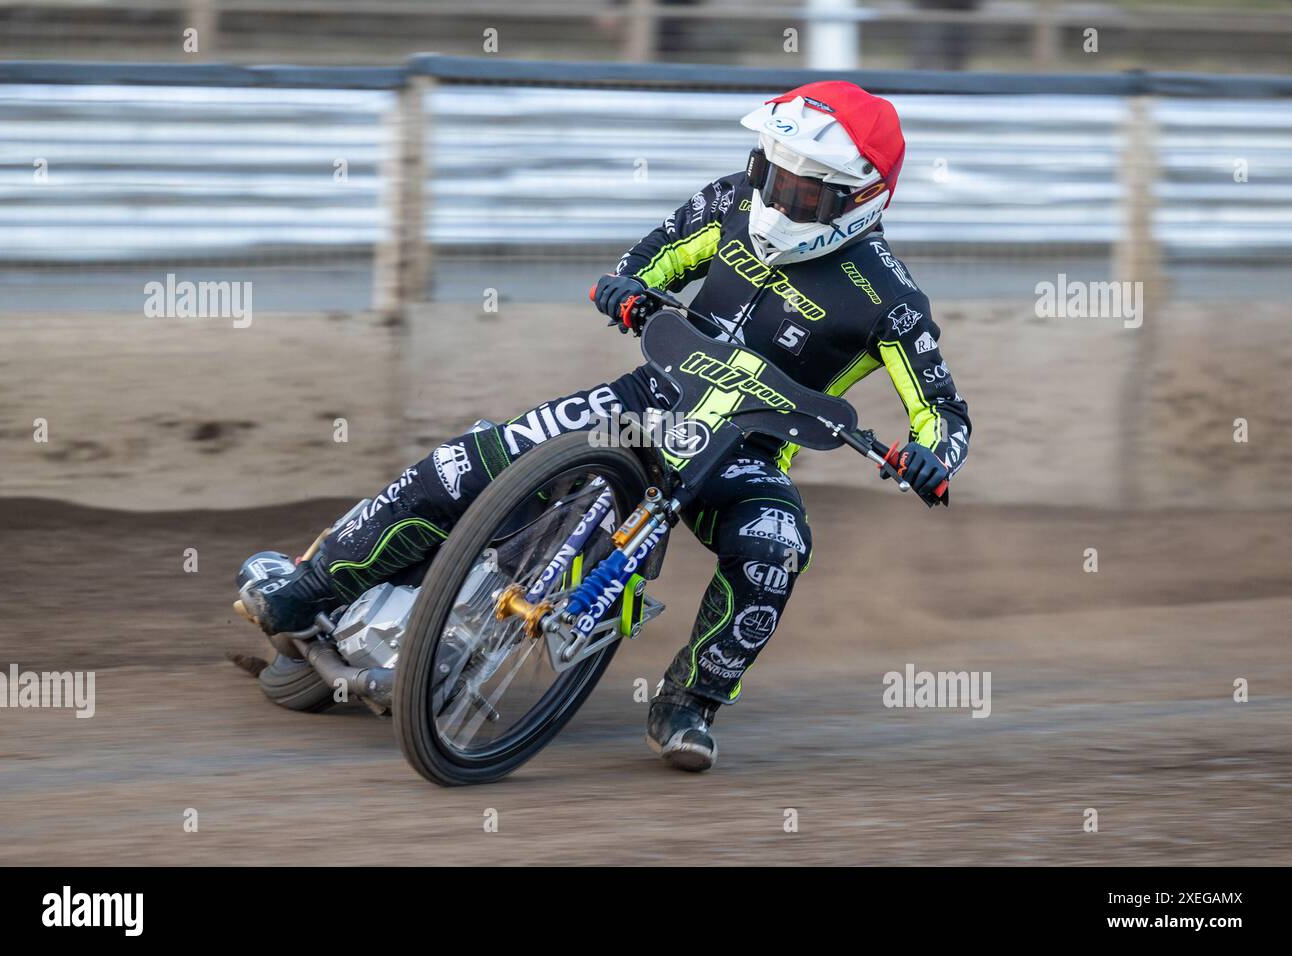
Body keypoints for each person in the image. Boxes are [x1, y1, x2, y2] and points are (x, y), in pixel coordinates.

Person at [238, 80, 971, 773]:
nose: (779, 196)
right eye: (773, 173)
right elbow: (649, 257)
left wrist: (933, 457)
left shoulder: (890, 301)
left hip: (745, 453)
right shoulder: (731, 202)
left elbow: (943, 413)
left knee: (775, 549)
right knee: (472, 462)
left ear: (859, 199)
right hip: (643, 400)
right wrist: (628, 288)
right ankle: (308, 587)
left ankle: (691, 702)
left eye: (805, 190)